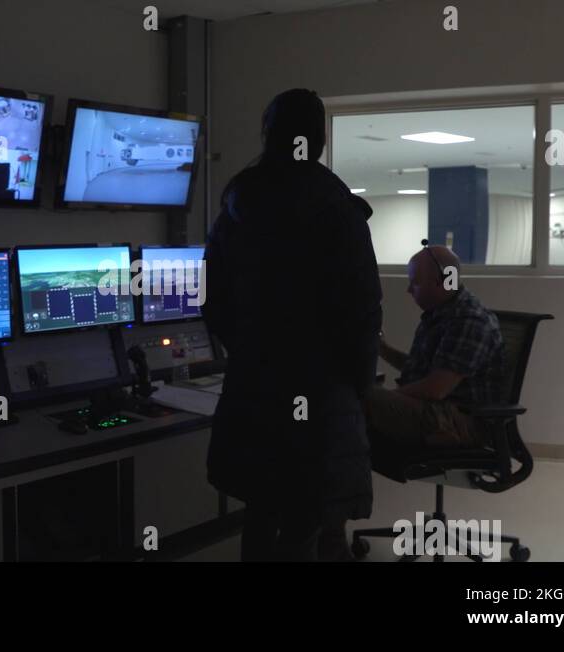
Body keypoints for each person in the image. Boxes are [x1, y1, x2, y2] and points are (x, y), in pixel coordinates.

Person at [202, 89, 383, 561]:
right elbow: (362, 310)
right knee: (308, 512)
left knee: (261, 509)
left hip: (254, 386)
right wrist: (358, 384)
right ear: (319, 139)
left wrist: (247, 350)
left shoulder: (236, 208)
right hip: (321, 392)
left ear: (268, 135)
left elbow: (212, 299)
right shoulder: (338, 209)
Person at [367, 245, 504, 453]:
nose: (409, 290)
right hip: (439, 412)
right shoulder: (441, 314)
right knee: (358, 393)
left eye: (415, 283)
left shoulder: (469, 320)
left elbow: (435, 388)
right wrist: (383, 349)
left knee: (358, 397)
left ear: (442, 281)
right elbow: (426, 370)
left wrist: (390, 398)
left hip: (457, 422)